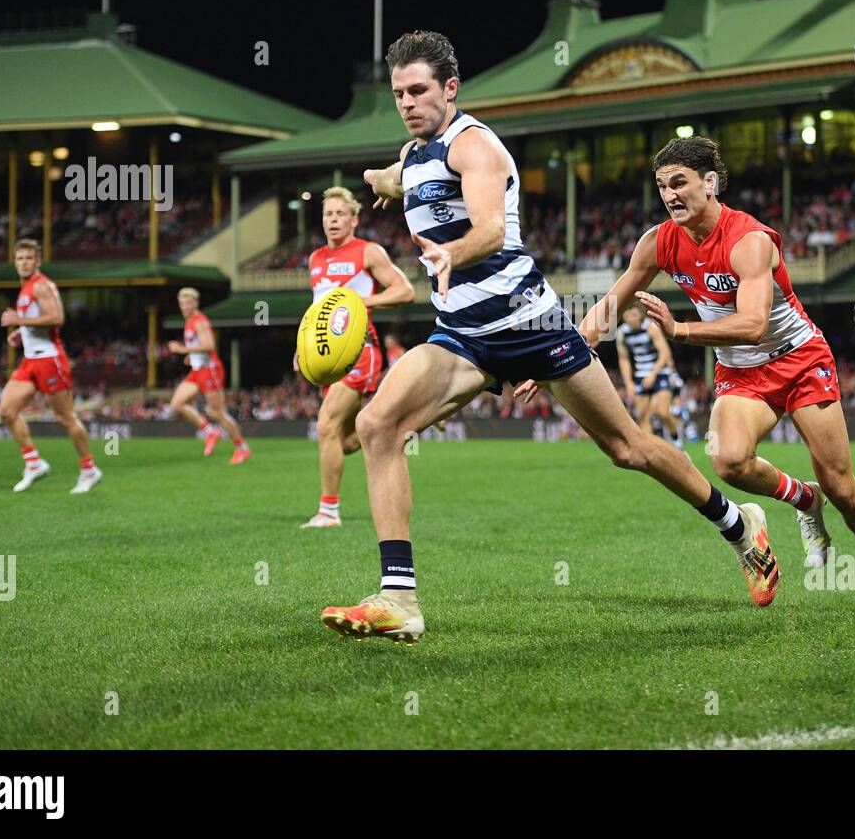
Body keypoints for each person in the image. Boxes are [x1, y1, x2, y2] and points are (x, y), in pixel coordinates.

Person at [320, 31, 777, 644]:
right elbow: (400, 176)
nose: (407, 102)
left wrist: (453, 251)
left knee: (628, 449)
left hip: (531, 325)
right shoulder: (413, 153)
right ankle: (399, 598)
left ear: (450, 88)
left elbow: (489, 230)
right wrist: (378, 178)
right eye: (399, 93)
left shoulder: (476, 148)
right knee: (378, 427)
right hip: (464, 334)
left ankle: (739, 526)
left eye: (420, 90)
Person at [588, 137, 855, 615]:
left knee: (842, 485)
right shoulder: (657, 242)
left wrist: (681, 329)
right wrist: (556, 356)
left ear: (710, 183)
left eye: (680, 183)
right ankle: (804, 500)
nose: (670, 195)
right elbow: (611, 303)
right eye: (662, 187)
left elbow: (755, 324)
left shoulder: (750, 241)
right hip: (741, 371)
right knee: (730, 461)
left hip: (798, 359)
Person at [298, 187, 414, 528]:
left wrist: (360, 303)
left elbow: (404, 291)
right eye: (327, 215)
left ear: (354, 219)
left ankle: (328, 511)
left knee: (325, 425)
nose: (332, 220)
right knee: (347, 438)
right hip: (325, 355)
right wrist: (300, 349)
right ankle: (394, 427)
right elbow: (317, 311)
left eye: (339, 214)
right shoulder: (315, 259)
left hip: (361, 348)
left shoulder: (368, 252)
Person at [0, 238, 101, 494]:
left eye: (29, 258)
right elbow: (38, 320)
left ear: (38, 261)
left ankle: (89, 469)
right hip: (30, 359)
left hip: (49, 360)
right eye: (20, 258)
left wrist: (18, 319)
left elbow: (57, 317)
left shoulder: (42, 285)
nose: (24, 263)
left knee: (65, 417)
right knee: (6, 411)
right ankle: (34, 463)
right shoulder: (26, 288)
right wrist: (21, 332)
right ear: (14, 262)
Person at [165, 287, 251, 464]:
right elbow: (201, 346)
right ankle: (209, 431)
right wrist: (192, 355)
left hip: (209, 370)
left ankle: (242, 447)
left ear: (196, 304)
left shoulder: (199, 321)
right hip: (198, 370)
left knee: (217, 412)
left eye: (188, 303)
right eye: (182, 303)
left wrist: (183, 349)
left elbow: (209, 345)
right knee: (176, 404)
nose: (184, 307)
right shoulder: (190, 322)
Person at [615, 304, 684, 446]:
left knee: (662, 412)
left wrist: (653, 374)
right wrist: (628, 383)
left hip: (660, 372)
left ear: (640, 315)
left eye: (634, 315)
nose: (631, 319)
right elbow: (624, 359)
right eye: (627, 316)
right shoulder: (622, 333)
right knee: (643, 415)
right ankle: (652, 449)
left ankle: (678, 443)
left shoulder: (650, 328)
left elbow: (665, 353)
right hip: (641, 375)